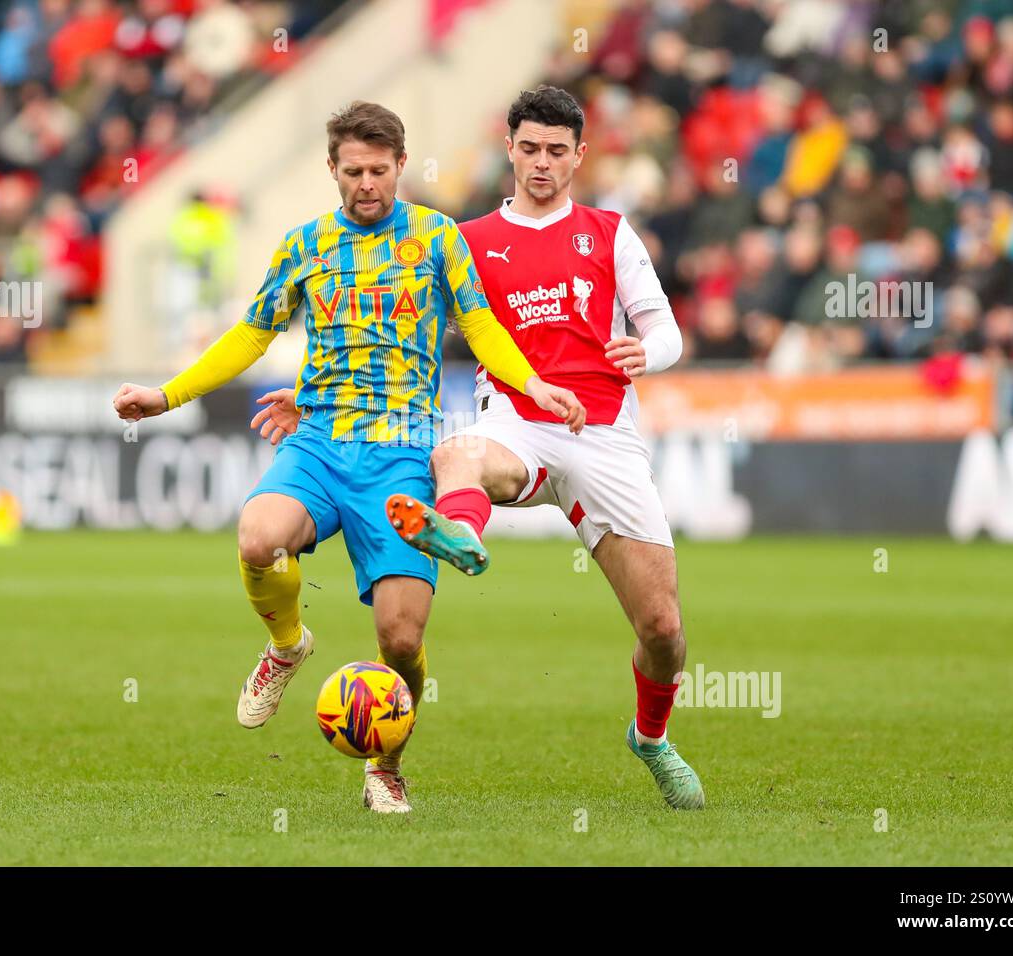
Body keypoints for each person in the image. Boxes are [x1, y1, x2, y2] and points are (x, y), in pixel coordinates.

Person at [114, 100, 584, 814]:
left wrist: (533, 383)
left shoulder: (435, 237)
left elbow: (481, 325)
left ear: (401, 165)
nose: (367, 184)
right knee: (258, 536)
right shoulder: (305, 245)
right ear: (331, 170)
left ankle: (385, 767)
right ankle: (286, 644)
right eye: (352, 171)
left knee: (400, 638)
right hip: (320, 441)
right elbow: (250, 335)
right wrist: (166, 395)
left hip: (401, 453)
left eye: (379, 170)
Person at [251, 88, 703, 809]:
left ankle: (650, 737)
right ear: (510, 149)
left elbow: (668, 329)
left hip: (603, 431)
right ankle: (458, 531)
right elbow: (387, 329)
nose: (542, 163)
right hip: (515, 424)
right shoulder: (464, 240)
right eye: (530, 148)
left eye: (557, 150)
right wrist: (317, 397)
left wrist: (650, 352)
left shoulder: (609, 233)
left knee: (664, 629)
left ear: (579, 155)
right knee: (454, 454)